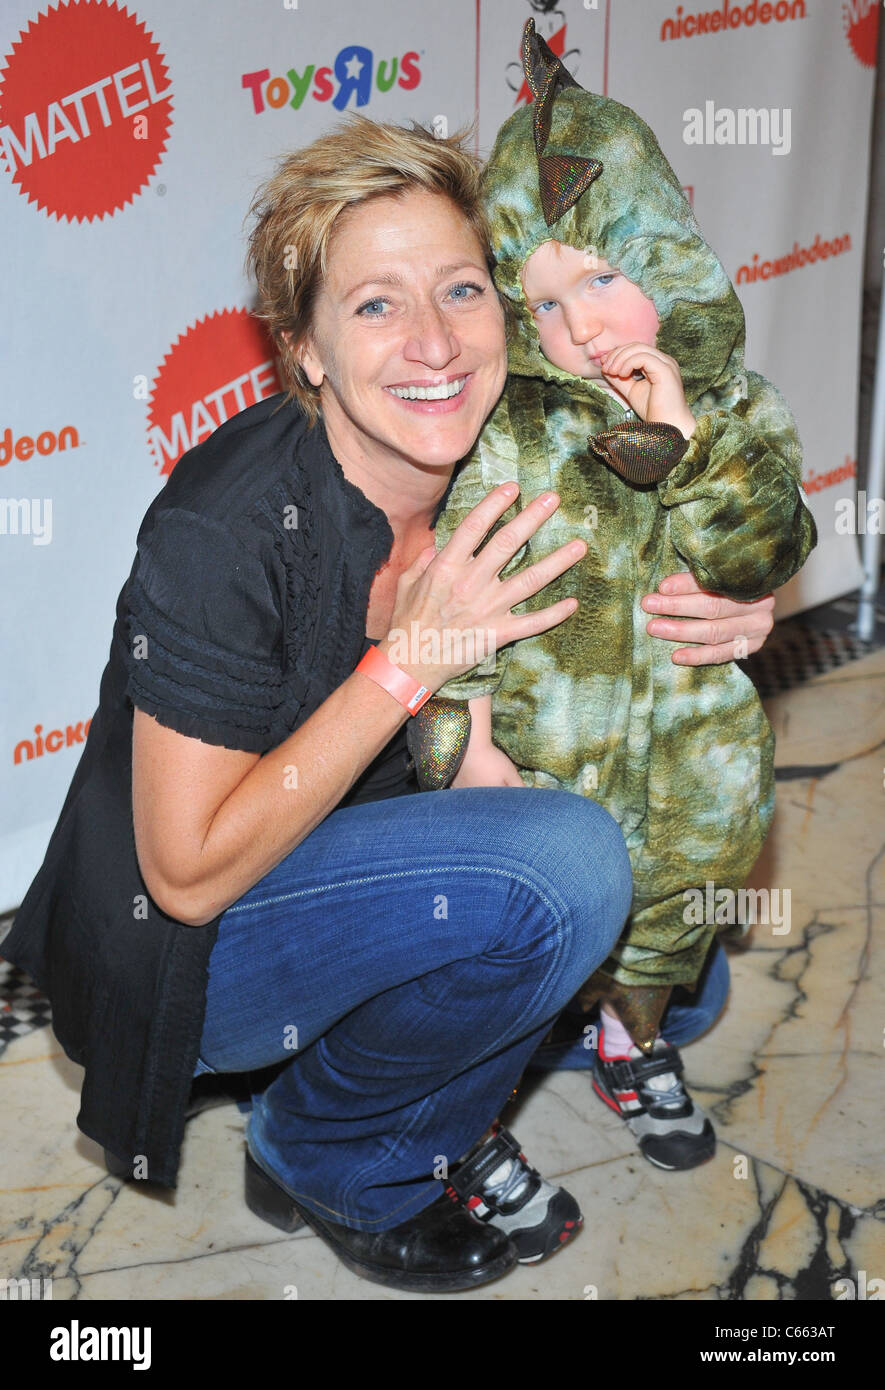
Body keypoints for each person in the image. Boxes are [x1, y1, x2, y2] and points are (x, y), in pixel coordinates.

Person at [1, 115, 778, 1295]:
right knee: (571, 876)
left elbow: (668, 585)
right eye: (373, 305)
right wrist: (405, 664)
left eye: (462, 289)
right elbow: (185, 874)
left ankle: (383, 1049)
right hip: (193, 951)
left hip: (361, 860)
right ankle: (332, 1145)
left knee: (684, 962)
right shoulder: (226, 526)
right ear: (303, 350)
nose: (433, 341)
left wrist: (724, 609)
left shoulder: (520, 446)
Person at [411, 22, 816, 1173]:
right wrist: (471, 739)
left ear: (671, 259)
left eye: (602, 276)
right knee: (512, 948)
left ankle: (631, 1042)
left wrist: (690, 443)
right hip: (547, 760)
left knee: (673, 918)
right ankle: (469, 1099)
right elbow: (457, 589)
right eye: (542, 303)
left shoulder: (737, 407)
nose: (580, 325)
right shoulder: (513, 432)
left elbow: (762, 552)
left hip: (695, 760)